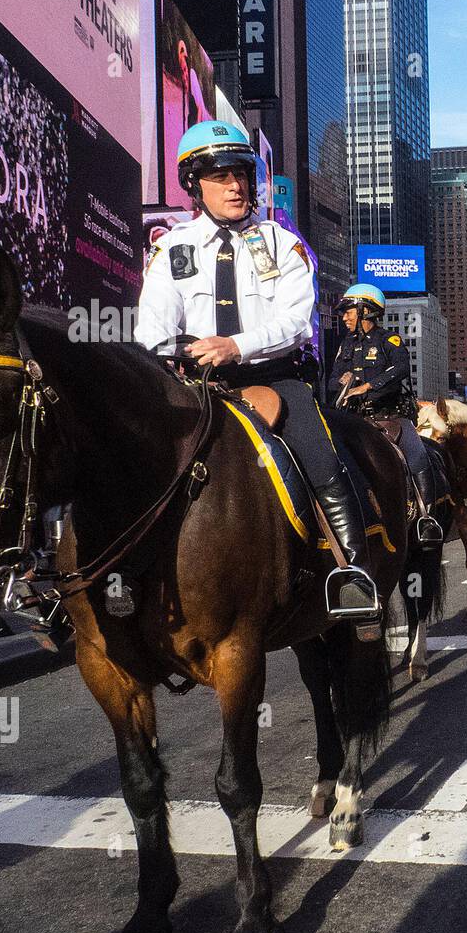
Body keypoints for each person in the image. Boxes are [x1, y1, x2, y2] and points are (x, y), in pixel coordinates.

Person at [136, 121, 378, 619]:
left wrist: (235, 346)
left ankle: (353, 573)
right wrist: (178, 350)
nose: (236, 186)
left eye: (242, 174)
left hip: (274, 380)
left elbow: (297, 323)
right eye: (220, 176)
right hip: (195, 385)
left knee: (323, 460)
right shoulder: (170, 251)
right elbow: (151, 330)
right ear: (193, 185)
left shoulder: (282, 243)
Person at [329, 285, 444, 546]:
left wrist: (368, 386)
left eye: (348, 312)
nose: (344, 317)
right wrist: (341, 381)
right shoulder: (345, 345)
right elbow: (332, 380)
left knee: (417, 455)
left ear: (365, 311)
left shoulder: (388, 340)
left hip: (390, 416)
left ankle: (427, 518)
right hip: (354, 418)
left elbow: (402, 368)